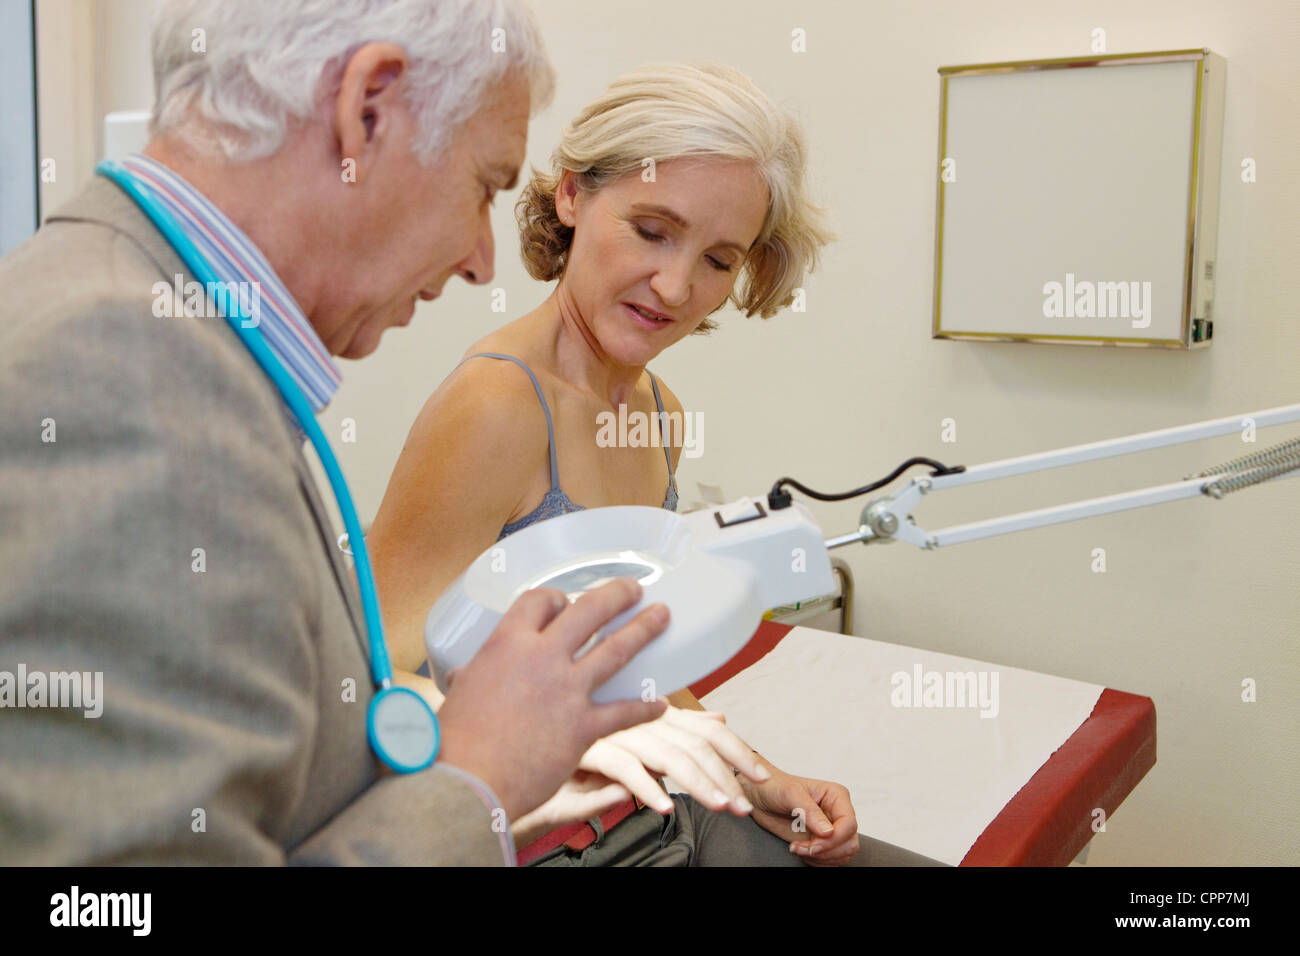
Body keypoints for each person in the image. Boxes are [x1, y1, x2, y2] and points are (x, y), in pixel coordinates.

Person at [0, 0, 672, 866]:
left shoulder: (130, 312)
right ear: (367, 108)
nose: (481, 259)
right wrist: (477, 782)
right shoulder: (125, 368)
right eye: (484, 187)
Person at [369, 62, 906, 866]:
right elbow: (370, 686)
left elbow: (636, 650)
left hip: (652, 815)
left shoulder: (658, 410)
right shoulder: (497, 410)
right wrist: (549, 741)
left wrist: (756, 777)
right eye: (653, 231)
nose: (676, 285)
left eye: (720, 260)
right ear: (574, 196)